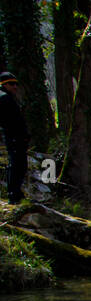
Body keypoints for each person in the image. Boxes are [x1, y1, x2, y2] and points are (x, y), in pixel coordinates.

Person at [0, 71, 29, 203]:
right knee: (17, 165)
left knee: (18, 164)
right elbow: (12, 121)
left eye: (16, 84)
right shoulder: (4, 98)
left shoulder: (7, 97)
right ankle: (14, 194)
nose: (15, 87)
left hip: (14, 136)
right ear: (3, 84)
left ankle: (15, 192)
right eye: (12, 84)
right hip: (13, 137)